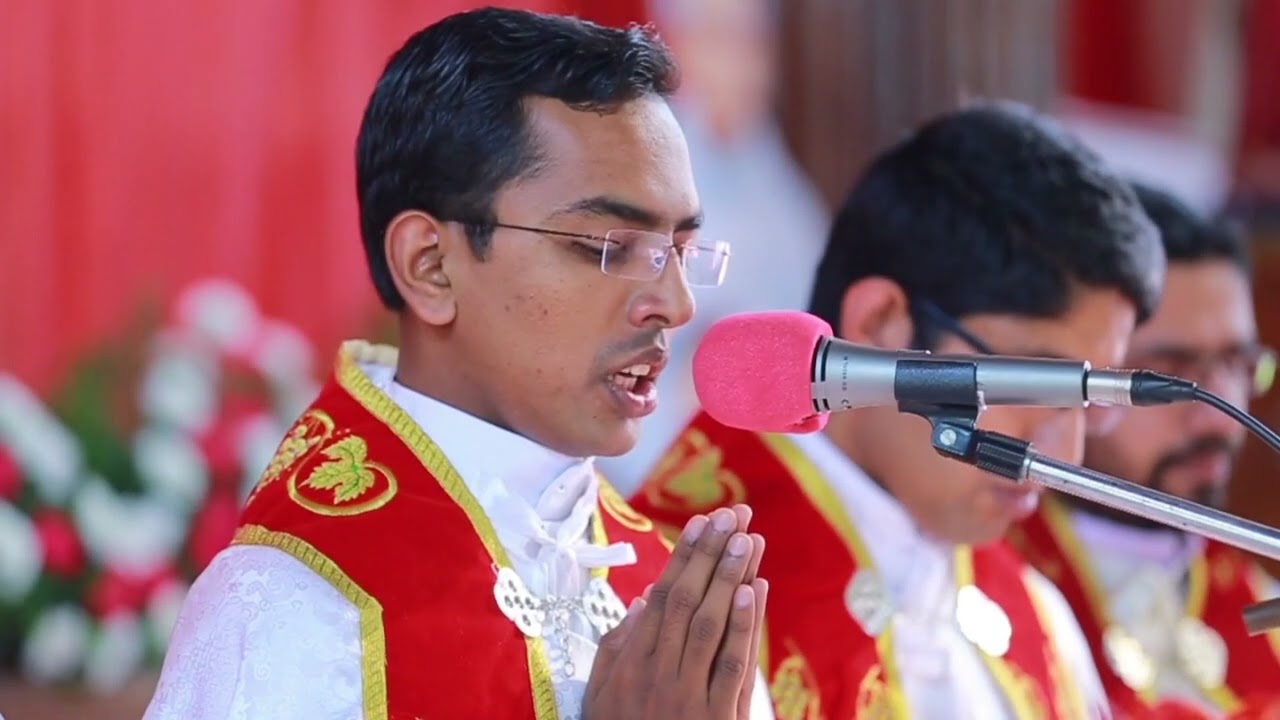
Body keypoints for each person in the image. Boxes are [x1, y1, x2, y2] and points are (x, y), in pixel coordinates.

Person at [143, 9, 774, 719]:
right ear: (431, 266)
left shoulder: (672, 603)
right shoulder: (296, 609)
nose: (676, 305)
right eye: (609, 247)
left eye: (681, 251)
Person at [629, 101, 1169, 719]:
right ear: (882, 322)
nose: (1063, 451)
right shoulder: (677, 594)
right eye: (1032, 384)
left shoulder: (1037, 618)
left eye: (1087, 400)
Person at [1008, 181, 1280, 718]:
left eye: (1238, 363)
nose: (1220, 414)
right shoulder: (982, 587)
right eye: (1169, 372)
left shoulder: (1261, 605)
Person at [595, 0, 829, 494]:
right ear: (680, 48)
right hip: (665, 440)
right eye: (723, 42)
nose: (746, 66)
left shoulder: (769, 169)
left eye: (756, 45)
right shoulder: (645, 165)